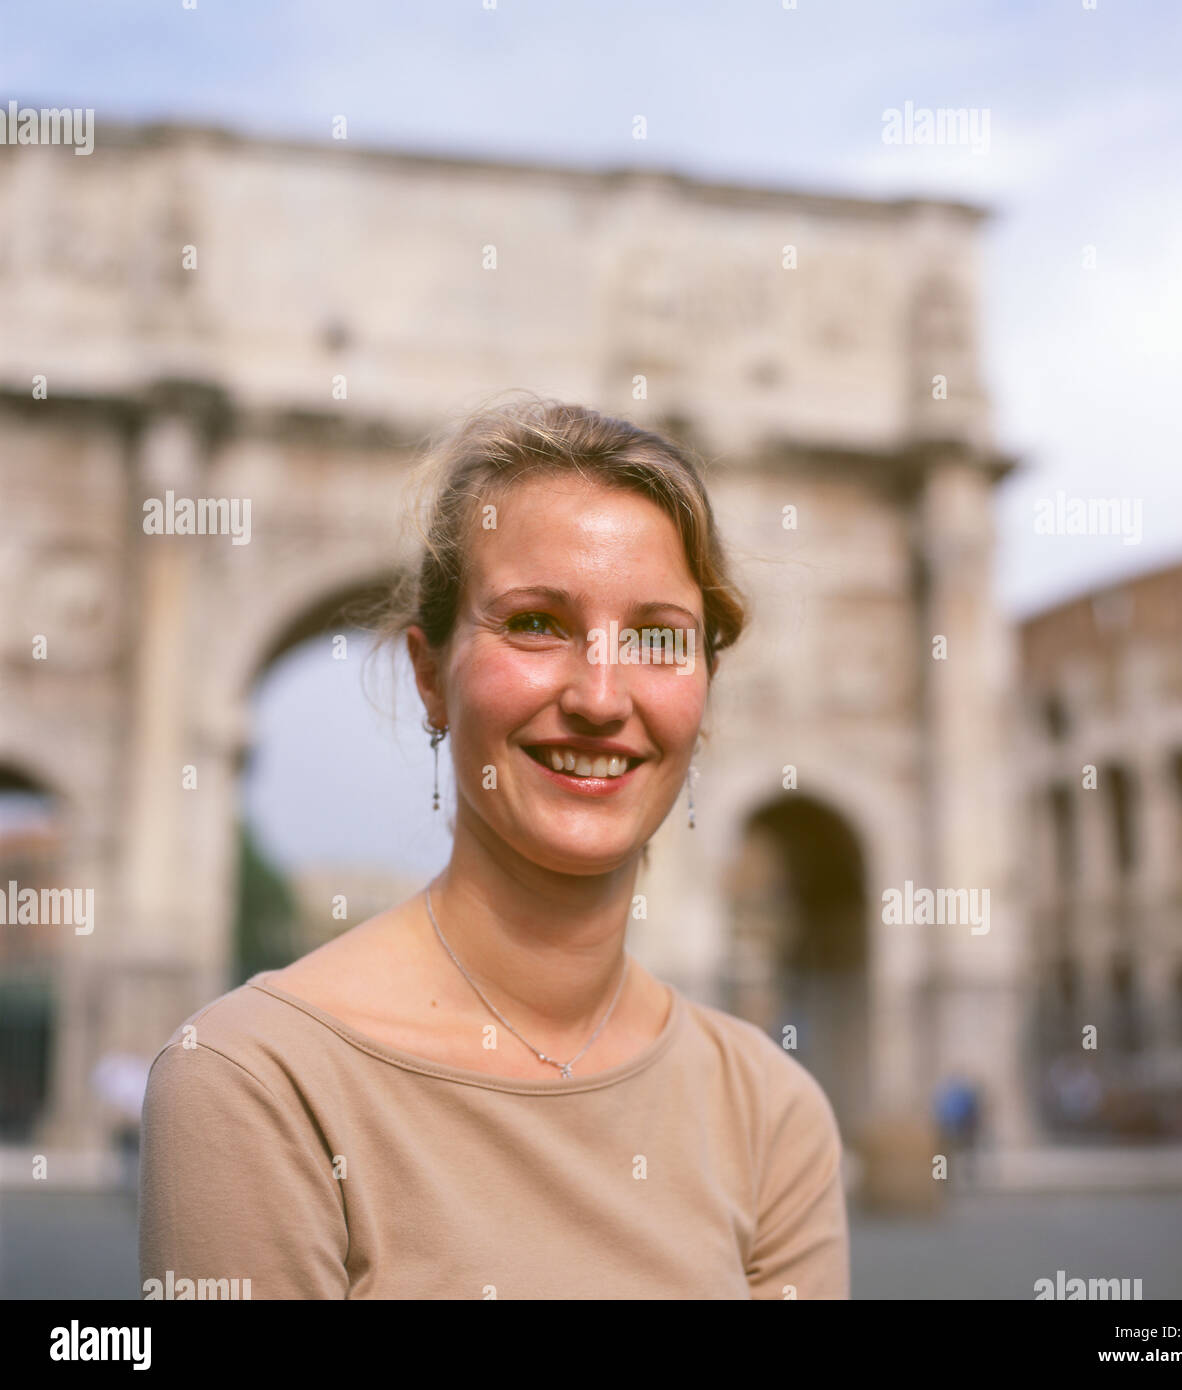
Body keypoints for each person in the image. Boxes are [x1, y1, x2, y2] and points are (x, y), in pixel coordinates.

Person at [138, 395, 850, 1299]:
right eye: (536, 623)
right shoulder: (254, 1080)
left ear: (704, 691)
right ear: (430, 677)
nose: (600, 695)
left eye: (658, 637)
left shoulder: (772, 1112)